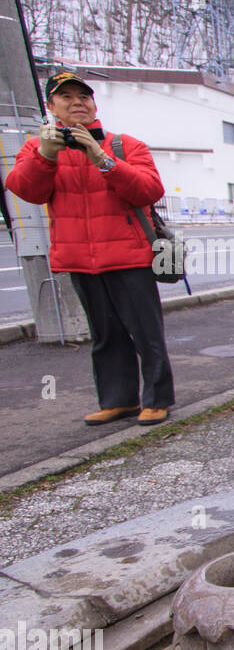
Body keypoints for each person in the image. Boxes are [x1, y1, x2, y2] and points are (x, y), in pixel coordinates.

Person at [6, 69, 174, 426]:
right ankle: (119, 400)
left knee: (147, 334)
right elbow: (25, 190)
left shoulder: (124, 145)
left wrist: (104, 160)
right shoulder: (37, 148)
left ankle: (157, 399)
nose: (76, 102)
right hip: (81, 259)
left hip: (130, 257)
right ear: (52, 107)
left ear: (94, 104)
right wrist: (46, 157)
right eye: (65, 97)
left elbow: (149, 190)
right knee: (105, 336)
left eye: (83, 96)